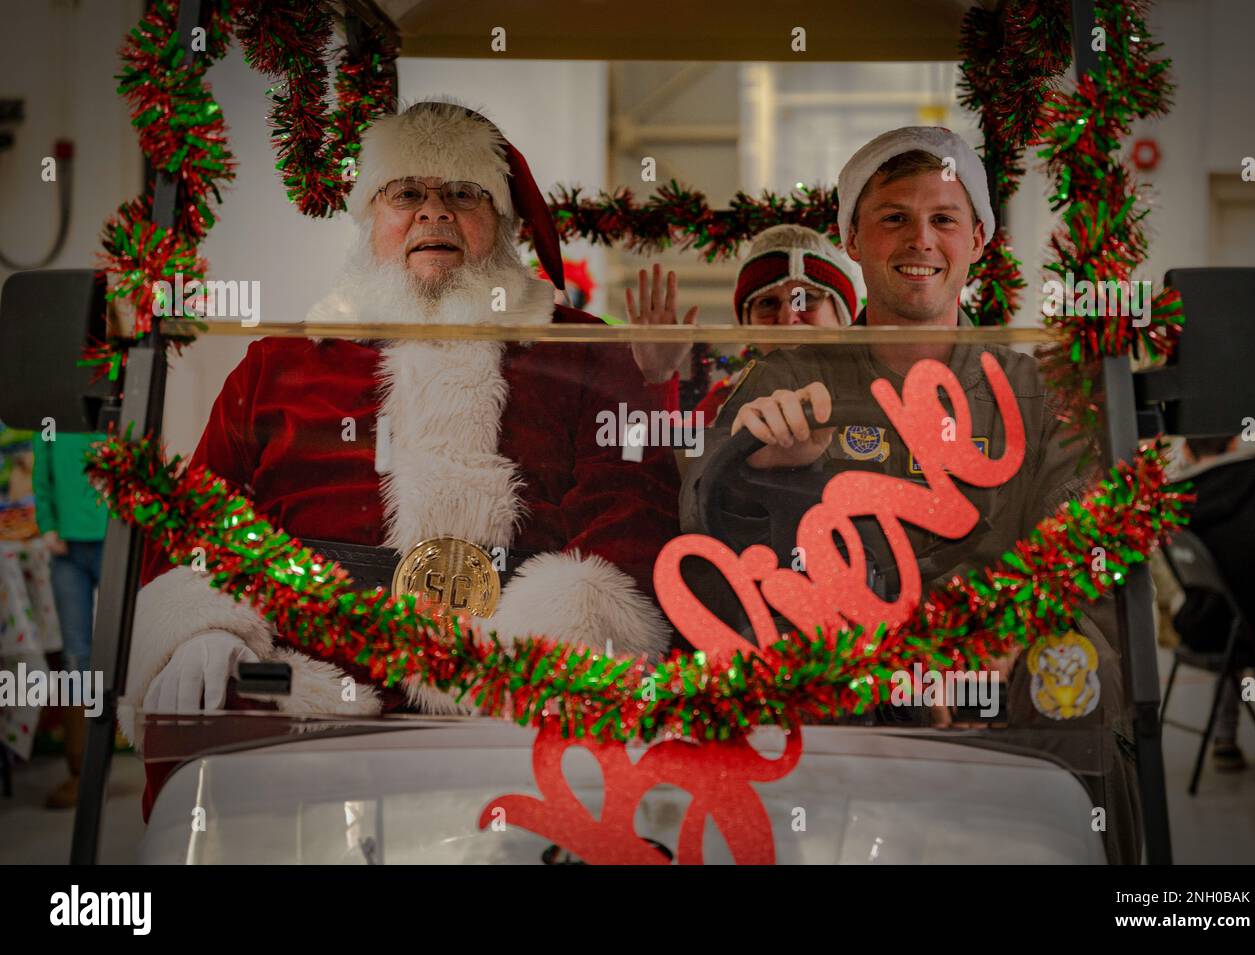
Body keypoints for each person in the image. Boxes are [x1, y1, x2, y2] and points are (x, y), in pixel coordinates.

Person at [123, 101, 682, 814]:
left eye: (462, 193)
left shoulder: (581, 352)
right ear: (371, 218)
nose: (433, 214)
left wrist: (530, 661)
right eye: (407, 193)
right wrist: (202, 625)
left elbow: (631, 515)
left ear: (503, 222)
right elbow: (195, 520)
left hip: (518, 723)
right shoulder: (279, 365)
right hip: (301, 713)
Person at [682, 126, 1141, 862]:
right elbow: (704, 529)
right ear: (853, 240)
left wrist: (1008, 625)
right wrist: (770, 468)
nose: (919, 238)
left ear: (980, 239)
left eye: (944, 218)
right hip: (840, 665)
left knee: (1080, 675)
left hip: (998, 667)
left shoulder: (1036, 389)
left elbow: (1083, 537)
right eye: (894, 216)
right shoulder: (788, 377)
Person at [627, 225, 861, 424]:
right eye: (767, 303)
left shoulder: (874, 390)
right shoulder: (727, 400)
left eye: (806, 299)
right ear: (747, 323)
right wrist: (657, 377)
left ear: (843, 316)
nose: (788, 318)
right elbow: (667, 468)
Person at [1171, 435, 1255, 771]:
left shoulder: (1173, 499)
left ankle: (1225, 736)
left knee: (1231, 610)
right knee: (1251, 599)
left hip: (1207, 627)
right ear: (1233, 444)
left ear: (1186, 451)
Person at [32, 430, 109, 808]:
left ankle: (154, 764)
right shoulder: (49, 416)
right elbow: (41, 471)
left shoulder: (114, 402)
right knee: (76, 657)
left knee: (137, 646)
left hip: (116, 540)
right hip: (66, 549)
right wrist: (47, 524)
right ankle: (80, 771)